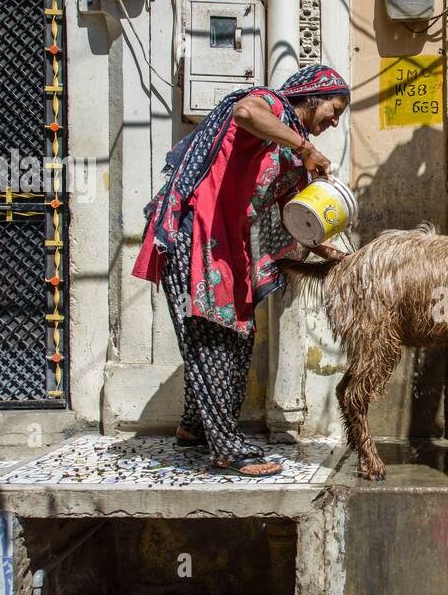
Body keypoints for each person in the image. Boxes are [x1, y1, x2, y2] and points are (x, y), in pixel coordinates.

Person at [132, 64, 350, 476]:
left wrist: (329, 253)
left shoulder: (287, 150)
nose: (334, 121)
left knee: (233, 332)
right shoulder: (272, 106)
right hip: (191, 230)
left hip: (223, 243)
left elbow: (292, 215)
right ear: (311, 97)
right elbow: (245, 113)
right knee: (212, 337)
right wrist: (305, 148)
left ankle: (195, 427)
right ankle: (228, 449)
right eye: (334, 109)